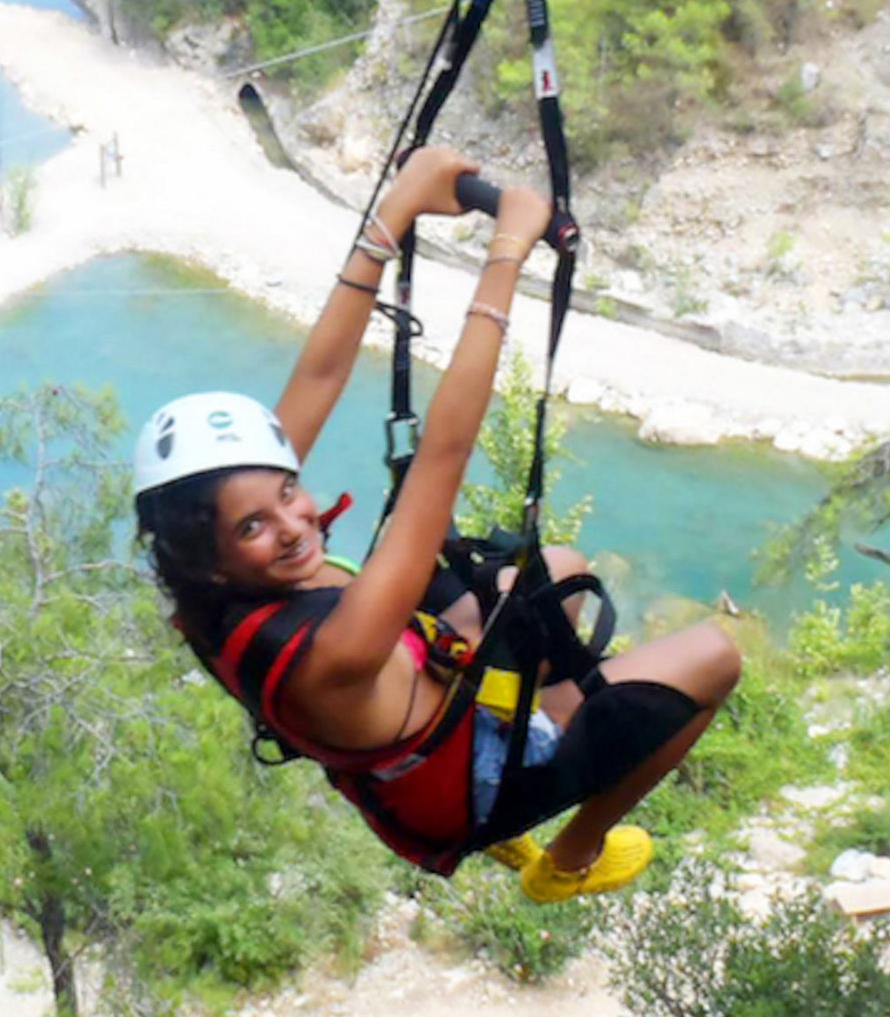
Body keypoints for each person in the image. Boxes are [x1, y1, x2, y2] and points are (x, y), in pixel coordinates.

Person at [134, 146, 741, 902]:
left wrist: (395, 210)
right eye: (255, 527)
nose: (293, 524)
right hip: (470, 794)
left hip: (404, 759)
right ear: (216, 556)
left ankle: (507, 735)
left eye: (289, 491)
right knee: (714, 655)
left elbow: (321, 375)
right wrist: (505, 253)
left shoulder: (208, 588)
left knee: (555, 568)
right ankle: (570, 856)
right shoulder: (339, 649)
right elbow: (442, 456)